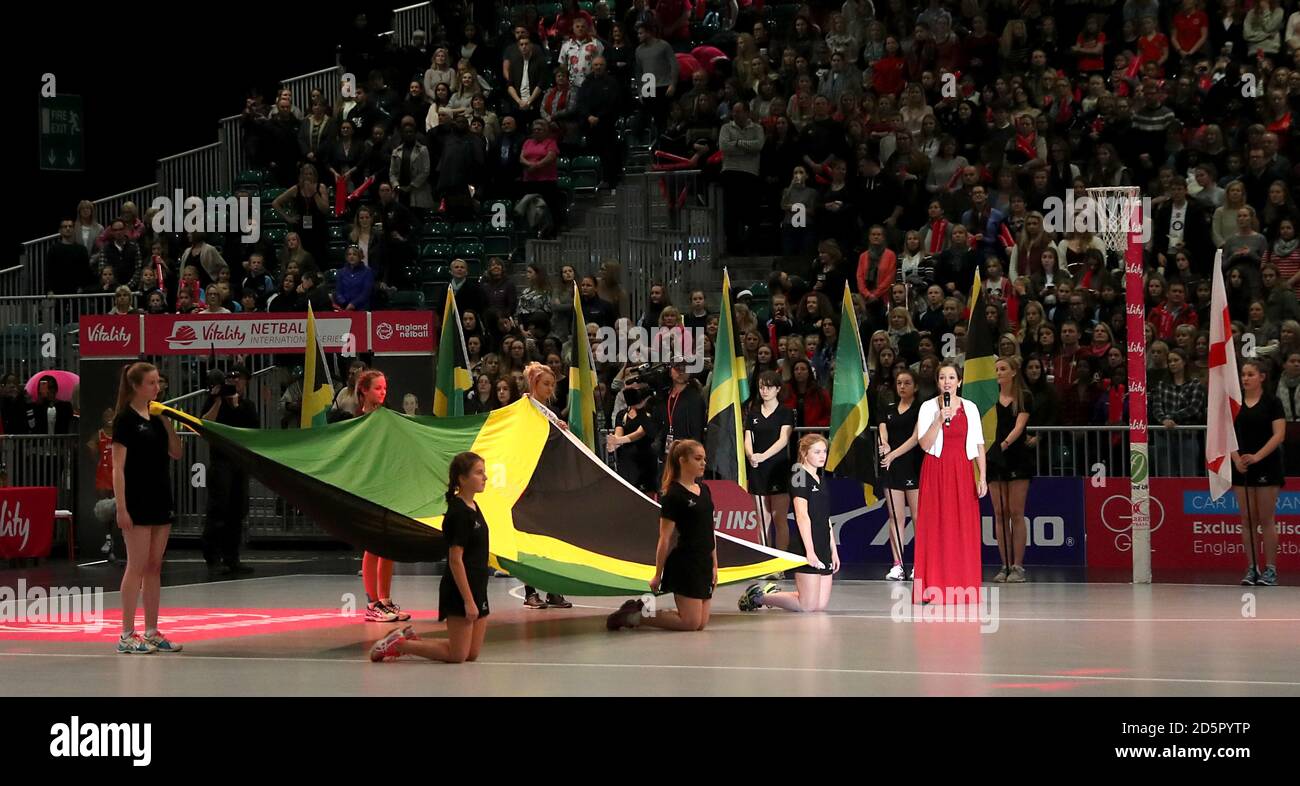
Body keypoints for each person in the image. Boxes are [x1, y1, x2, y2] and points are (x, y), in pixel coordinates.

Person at [370, 452, 490, 663]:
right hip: (460, 590)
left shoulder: (474, 506)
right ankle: (398, 645)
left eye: (484, 472)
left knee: (471, 654)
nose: (485, 477)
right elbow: (455, 559)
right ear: (462, 478)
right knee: (457, 656)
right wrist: (468, 601)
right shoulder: (459, 512)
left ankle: (411, 640)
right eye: (479, 473)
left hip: (478, 586)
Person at [606, 440, 717, 631]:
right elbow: (664, 538)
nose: (703, 463)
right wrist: (657, 574)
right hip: (686, 563)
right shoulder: (673, 495)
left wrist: (715, 564)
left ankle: (638, 610)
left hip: (704, 562)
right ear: (682, 461)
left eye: (704, 459)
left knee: (700, 623)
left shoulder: (705, 490)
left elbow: (710, 530)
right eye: (698, 459)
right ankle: (634, 616)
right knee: (690, 623)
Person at [112, 362, 183, 653]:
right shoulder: (125, 420)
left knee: (155, 566)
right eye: (152, 383)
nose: (158, 387)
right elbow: (118, 467)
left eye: (159, 382)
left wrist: (166, 420)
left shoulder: (157, 417)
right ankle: (126, 634)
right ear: (136, 386)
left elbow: (177, 452)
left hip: (160, 497)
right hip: (137, 500)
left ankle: (151, 630)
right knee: (137, 566)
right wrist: (121, 507)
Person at [335, 371, 411, 622]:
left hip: (389, 489)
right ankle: (372, 603)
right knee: (373, 546)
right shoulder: (355, 422)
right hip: (368, 491)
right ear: (363, 391)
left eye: (385, 388)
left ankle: (386, 601)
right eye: (377, 388)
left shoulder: (388, 419)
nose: (383, 392)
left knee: (388, 546)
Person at [912, 361, 987, 605]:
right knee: (934, 526)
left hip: (962, 471)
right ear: (937, 382)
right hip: (936, 470)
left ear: (959, 381)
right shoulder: (927, 407)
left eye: (952, 377)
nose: (947, 382)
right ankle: (933, 587)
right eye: (942, 377)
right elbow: (924, 444)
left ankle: (963, 585)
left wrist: (982, 476)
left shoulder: (971, 408)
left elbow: (978, 444)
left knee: (963, 527)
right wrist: (937, 420)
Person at [738, 434, 838, 613]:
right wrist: (810, 551)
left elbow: (825, 517)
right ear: (804, 453)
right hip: (806, 544)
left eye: (824, 451)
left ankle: (769, 593)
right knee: (807, 606)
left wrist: (834, 551)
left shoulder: (821, 479)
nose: (822, 455)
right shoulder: (799, 475)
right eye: (817, 452)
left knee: (820, 605)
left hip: (823, 545)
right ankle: (758, 597)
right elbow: (801, 515)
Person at [519, 362, 574, 610]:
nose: (550, 388)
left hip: (550, 480)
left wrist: (561, 430)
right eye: (546, 384)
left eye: (552, 384)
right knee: (531, 537)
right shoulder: (524, 408)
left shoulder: (549, 411)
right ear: (533, 384)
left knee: (553, 536)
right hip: (529, 481)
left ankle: (554, 590)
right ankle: (530, 592)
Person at [201, 366, 260, 574]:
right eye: (231, 378)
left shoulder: (248, 405)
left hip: (239, 462)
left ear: (246, 382)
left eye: (239, 378)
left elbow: (254, 432)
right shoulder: (215, 401)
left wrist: (236, 406)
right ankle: (212, 557)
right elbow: (204, 424)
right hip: (221, 462)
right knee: (218, 510)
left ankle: (232, 557)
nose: (235, 382)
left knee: (238, 510)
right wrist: (218, 400)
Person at [1232, 360, 1286, 587]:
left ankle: (1270, 569)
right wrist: (1236, 459)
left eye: (1250, 374)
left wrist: (1257, 456)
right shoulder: (1234, 404)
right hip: (1242, 467)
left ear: (1262, 377)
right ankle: (1252, 568)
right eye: (1243, 374)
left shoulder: (1273, 402)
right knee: (1247, 520)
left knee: (1266, 519)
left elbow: (1278, 435)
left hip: (1266, 465)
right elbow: (1226, 435)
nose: (1245, 378)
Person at [986, 356, 1034, 584]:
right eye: (996, 369)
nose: (999, 372)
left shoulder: (1023, 397)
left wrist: (1002, 445)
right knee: (999, 512)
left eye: (1003, 369)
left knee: (1016, 511)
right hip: (994, 460)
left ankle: (1018, 566)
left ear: (1013, 372)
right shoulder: (989, 399)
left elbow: (1019, 427)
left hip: (1016, 458)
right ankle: (1004, 565)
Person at [878, 369, 925, 582]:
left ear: (915, 386)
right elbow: (882, 428)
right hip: (892, 467)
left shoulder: (921, 409)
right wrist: (885, 443)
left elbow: (916, 438)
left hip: (912, 465)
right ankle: (898, 564)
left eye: (907, 383)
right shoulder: (888, 409)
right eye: (899, 383)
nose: (902, 386)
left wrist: (893, 454)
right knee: (895, 517)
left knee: (917, 518)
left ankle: (919, 564)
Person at [743, 371, 795, 552]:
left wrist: (763, 456)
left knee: (779, 518)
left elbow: (783, 440)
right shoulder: (753, 413)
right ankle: (766, 561)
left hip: (778, 469)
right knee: (762, 519)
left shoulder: (785, 412)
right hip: (757, 469)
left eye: (769, 387)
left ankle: (779, 562)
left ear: (778, 389)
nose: (764, 390)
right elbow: (747, 439)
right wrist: (751, 455)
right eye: (761, 386)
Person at [607, 386, 657, 495]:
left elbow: (639, 433)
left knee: (646, 494)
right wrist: (614, 443)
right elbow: (618, 432)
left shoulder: (649, 413)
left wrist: (619, 440)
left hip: (644, 460)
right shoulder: (622, 414)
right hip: (626, 461)